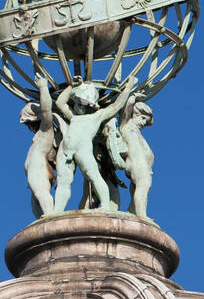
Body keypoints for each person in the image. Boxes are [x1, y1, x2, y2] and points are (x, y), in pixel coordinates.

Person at [53, 74, 137, 213]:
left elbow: (117, 106)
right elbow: (60, 103)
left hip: (82, 150)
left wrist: (128, 88)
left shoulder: (96, 117)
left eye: (83, 103)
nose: (79, 105)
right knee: (63, 181)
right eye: (78, 102)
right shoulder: (73, 117)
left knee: (93, 175)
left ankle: (105, 205)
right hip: (66, 150)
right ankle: (57, 211)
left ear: (91, 105)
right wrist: (72, 87)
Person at [20, 73, 60, 217]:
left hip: (40, 170)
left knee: (41, 193)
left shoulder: (45, 131)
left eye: (29, 123)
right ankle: (45, 219)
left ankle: (51, 217)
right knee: (36, 201)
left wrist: (43, 88)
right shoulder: (38, 136)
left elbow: (46, 111)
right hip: (35, 172)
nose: (29, 127)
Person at [119, 94, 155, 218]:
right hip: (136, 162)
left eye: (146, 120)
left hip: (142, 165)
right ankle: (142, 216)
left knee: (138, 188)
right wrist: (132, 96)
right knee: (143, 185)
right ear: (135, 114)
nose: (144, 123)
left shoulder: (136, 131)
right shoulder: (126, 125)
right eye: (143, 118)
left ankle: (132, 211)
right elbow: (127, 108)